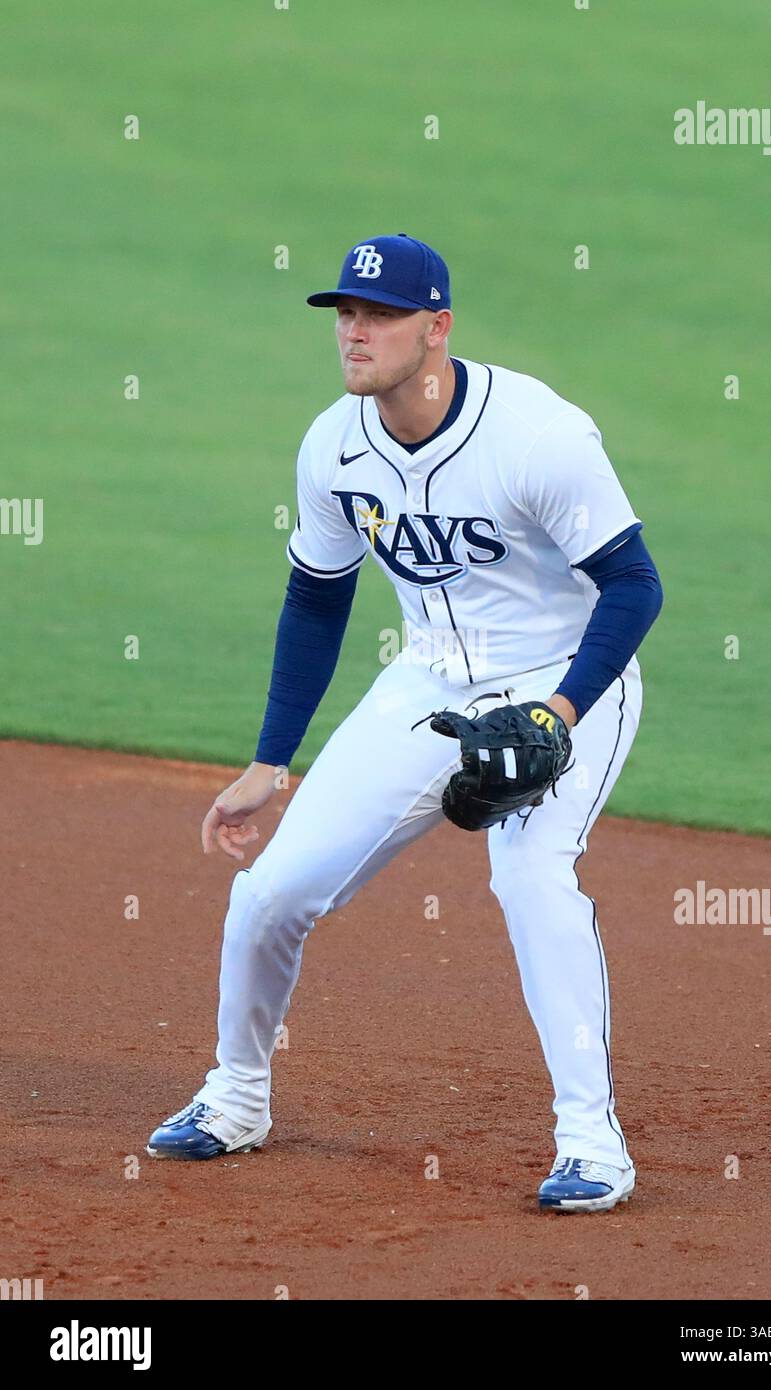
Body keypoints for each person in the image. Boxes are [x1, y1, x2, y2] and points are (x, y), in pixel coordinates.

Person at [146, 233, 663, 1213]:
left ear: (437, 328)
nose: (355, 331)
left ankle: (592, 1143)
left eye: (379, 315)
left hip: (564, 676)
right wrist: (271, 758)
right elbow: (315, 597)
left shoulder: (536, 434)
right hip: (423, 684)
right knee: (269, 894)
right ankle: (237, 1095)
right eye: (344, 312)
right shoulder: (332, 444)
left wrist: (553, 714)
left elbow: (633, 587)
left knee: (527, 874)